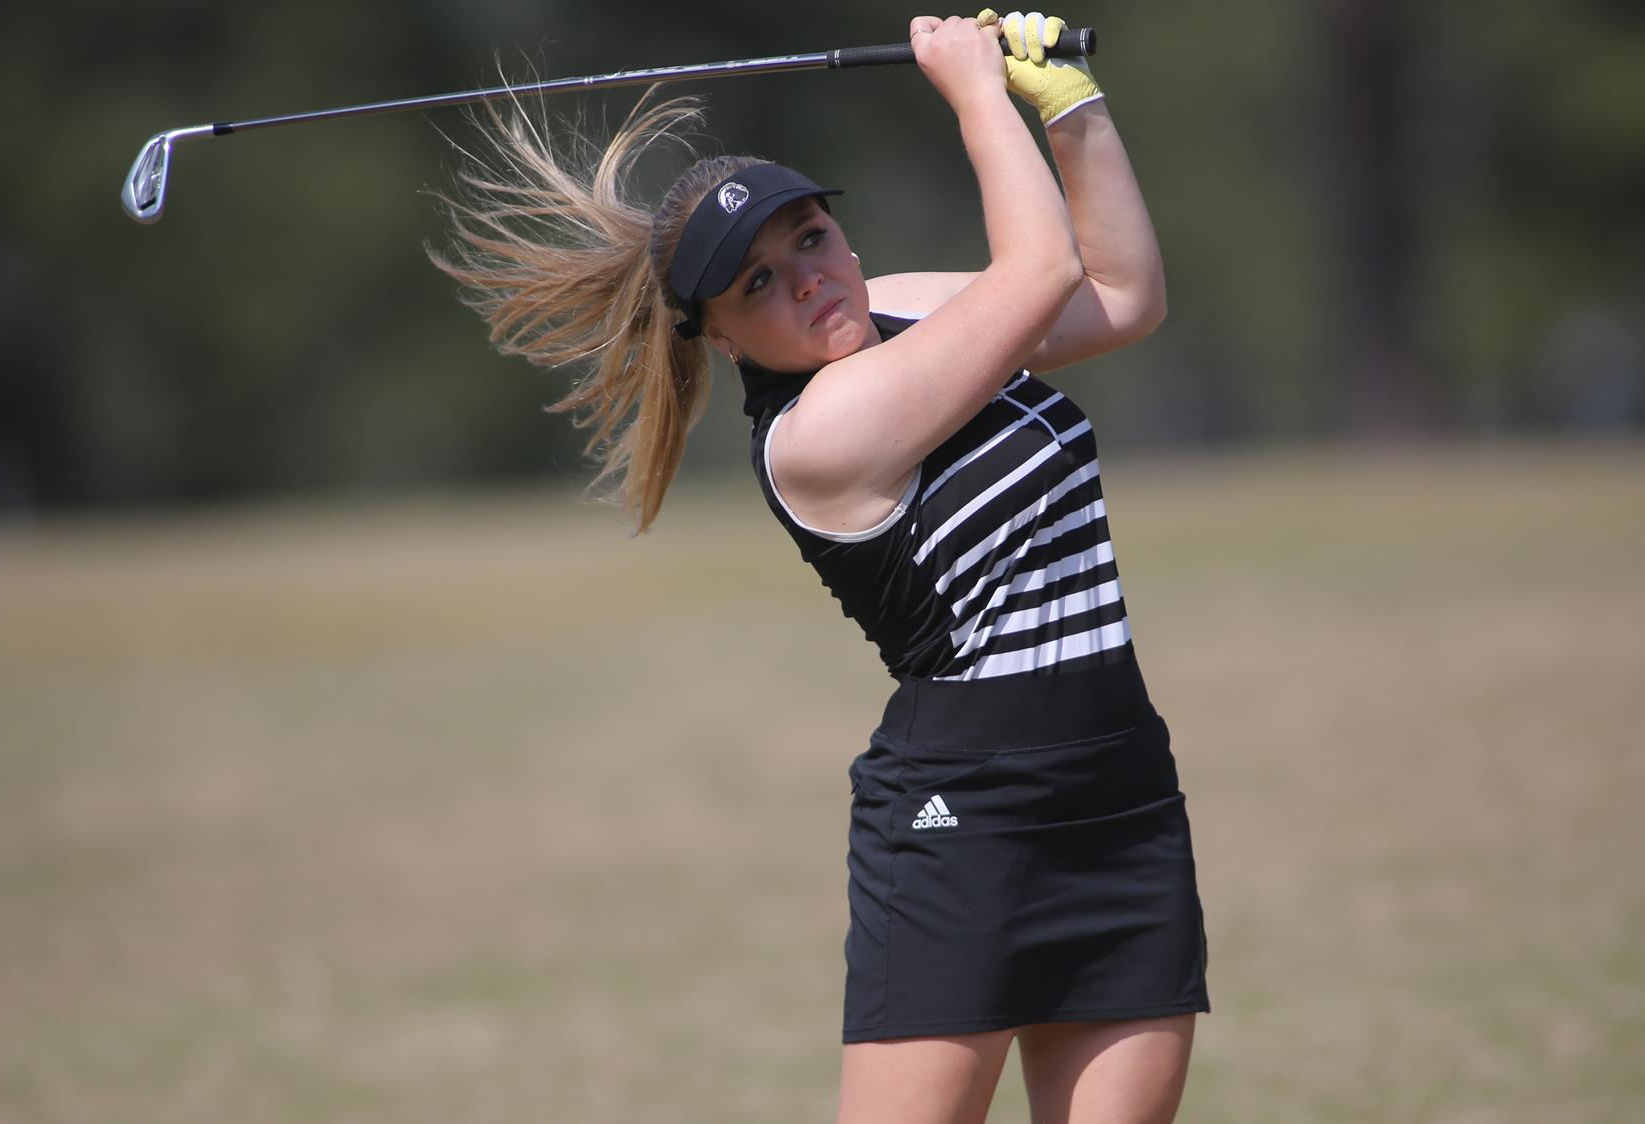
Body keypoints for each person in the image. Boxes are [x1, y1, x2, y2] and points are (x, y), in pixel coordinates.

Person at [431, 11, 1207, 1122]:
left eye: (808, 236)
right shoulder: (816, 435)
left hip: (1119, 791)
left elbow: (1123, 295)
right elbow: (1038, 269)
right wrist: (977, 93)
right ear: (720, 337)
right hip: (965, 823)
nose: (804, 278)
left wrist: (1072, 109)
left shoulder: (904, 307)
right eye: (756, 283)